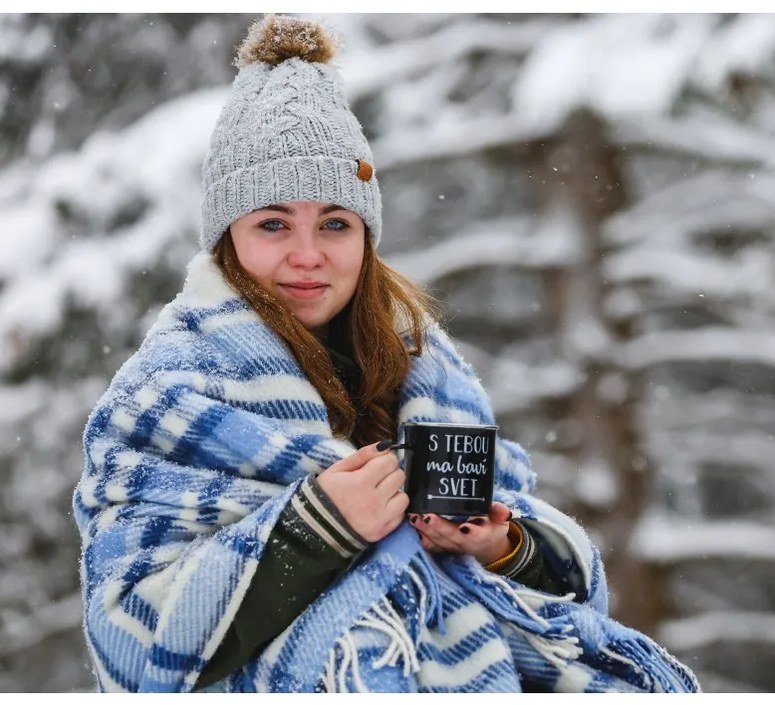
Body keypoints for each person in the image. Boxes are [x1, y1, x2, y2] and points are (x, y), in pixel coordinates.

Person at [73, 14, 699, 693]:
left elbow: (561, 599)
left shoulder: (429, 372)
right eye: (273, 223)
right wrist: (312, 530)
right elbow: (130, 644)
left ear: (366, 236)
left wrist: (500, 544)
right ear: (229, 236)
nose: (308, 254)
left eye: (335, 223)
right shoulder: (165, 396)